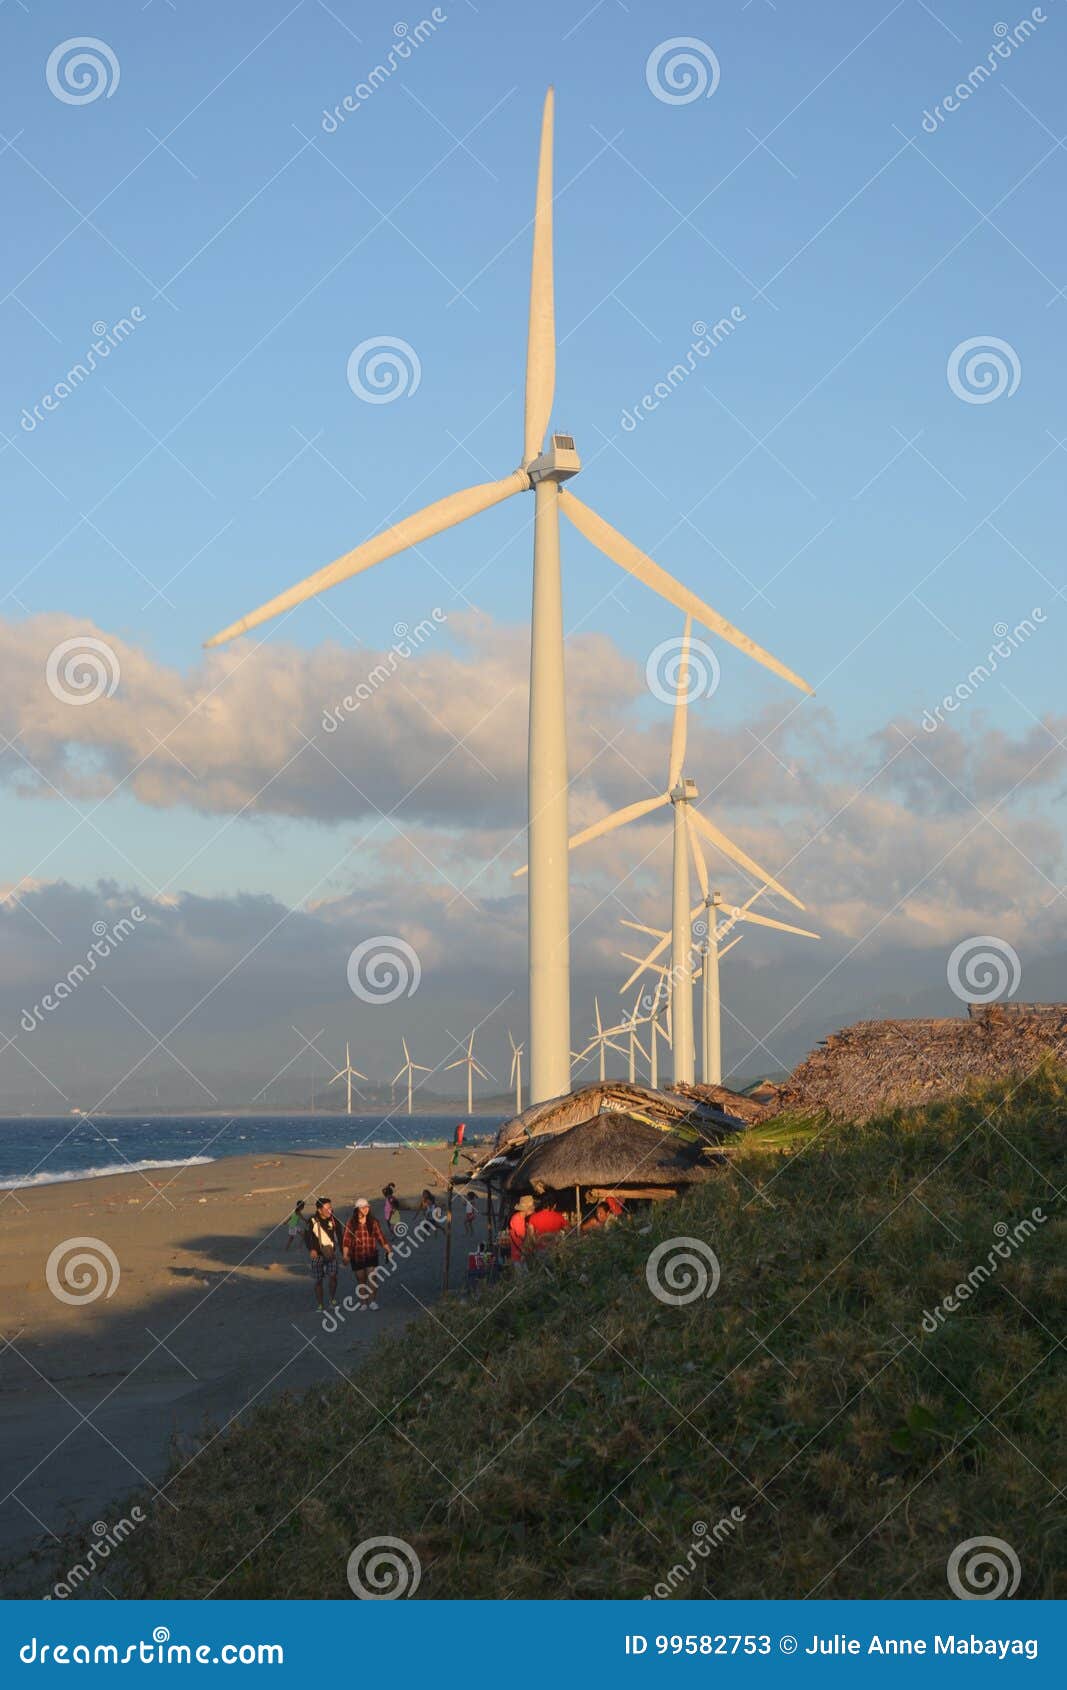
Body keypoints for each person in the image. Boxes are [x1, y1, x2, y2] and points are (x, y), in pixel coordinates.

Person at [343, 1197, 393, 1310]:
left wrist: (388, 1249)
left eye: (367, 1207)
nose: (366, 1209)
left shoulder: (373, 1222)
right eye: (363, 1207)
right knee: (361, 1279)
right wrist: (345, 1255)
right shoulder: (351, 1223)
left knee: (372, 1277)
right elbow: (346, 1240)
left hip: (371, 1254)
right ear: (357, 1209)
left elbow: (380, 1237)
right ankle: (363, 1302)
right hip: (356, 1255)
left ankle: (372, 1302)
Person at [306, 1197, 344, 1310]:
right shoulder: (312, 1221)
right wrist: (311, 1249)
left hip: (331, 1254)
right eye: (327, 1208)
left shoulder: (334, 1220)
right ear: (319, 1209)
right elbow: (307, 1237)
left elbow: (340, 1236)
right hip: (317, 1255)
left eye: (330, 1208)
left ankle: (332, 1299)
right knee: (318, 1280)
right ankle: (320, 1304)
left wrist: (343, 1252)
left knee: (333, 1276)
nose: (329, 1210)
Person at [508, 1194, 567, 1263]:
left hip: (529, 1253)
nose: (534, 1208)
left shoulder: (526, 1218)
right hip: (520, 1256)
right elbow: (524, 1238)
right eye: (533, 1206)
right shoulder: (517, 1219)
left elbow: (529, 1237)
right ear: (527, 1208)